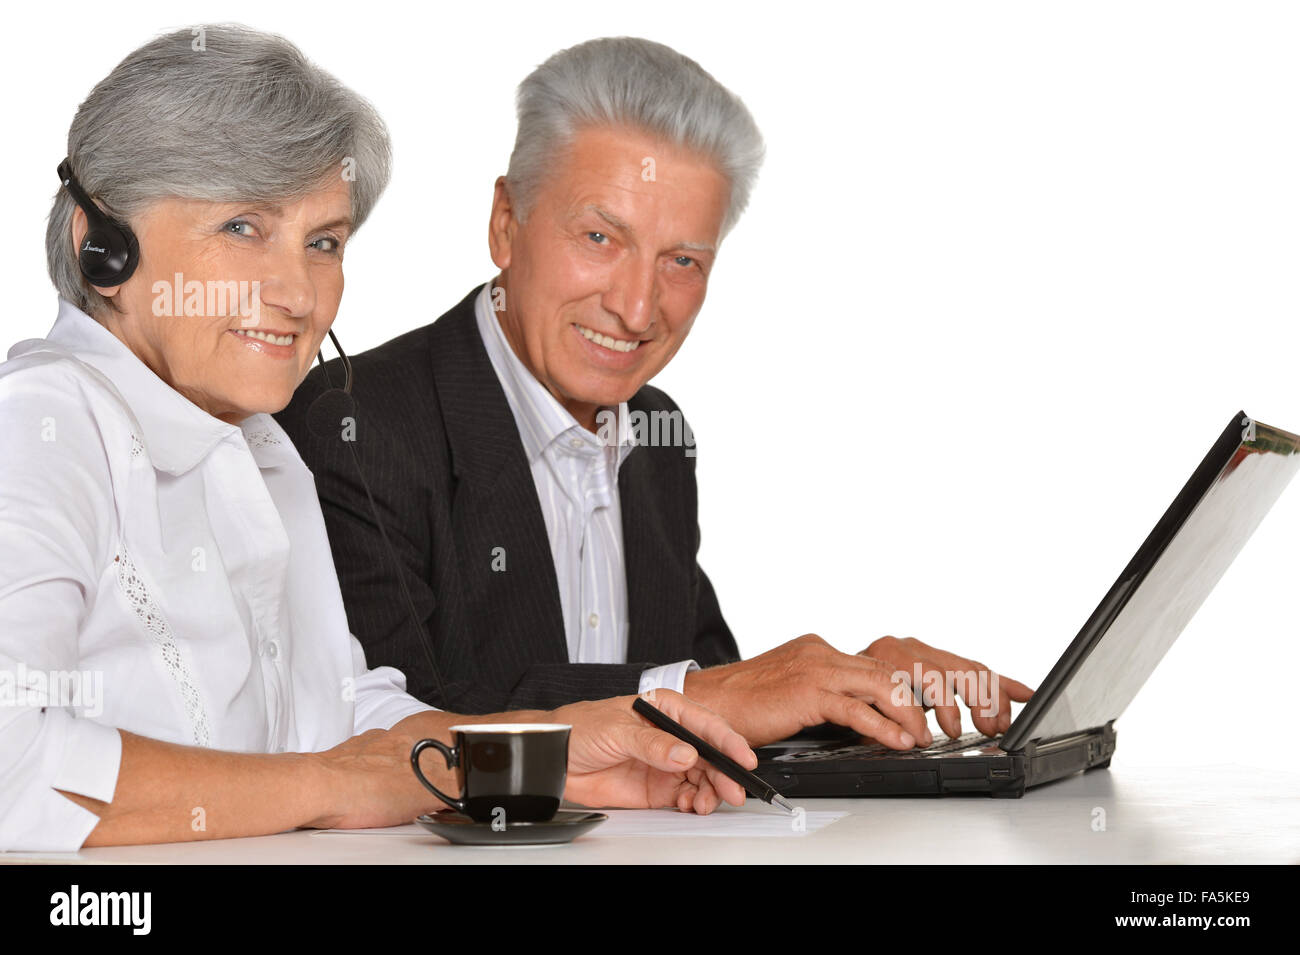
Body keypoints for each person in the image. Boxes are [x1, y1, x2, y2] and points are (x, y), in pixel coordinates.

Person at [0, 24, 755, 854]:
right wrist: (329, 784)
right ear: (100, 246)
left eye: (323, 242)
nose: (298, 294)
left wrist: (549, 758)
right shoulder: (40, 425)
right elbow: (11, 757)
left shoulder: (260, 449)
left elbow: (349, 703)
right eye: (243, 228)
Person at [278, 37, 1034, 749]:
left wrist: (856, 696)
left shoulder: (659, 433)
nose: (639, 311)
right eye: (600, 239)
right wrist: (720, 695)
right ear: (506, 224)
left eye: (682, 260)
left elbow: (720, 705)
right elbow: (396, 723)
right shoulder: (353, 424)